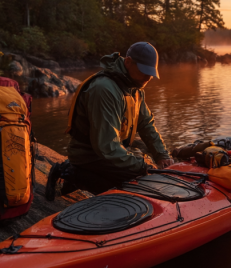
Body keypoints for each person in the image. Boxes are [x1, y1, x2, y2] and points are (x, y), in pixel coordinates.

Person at [45, 42, 174, 198]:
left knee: (147, 164)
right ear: (128, 62)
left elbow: (146, 124)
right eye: (143, 71)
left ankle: (82, 174)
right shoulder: (104, 89)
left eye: (150, 73)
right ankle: (70, 173)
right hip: (90, 155)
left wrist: (162, 156)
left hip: (111, 149)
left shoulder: (135, 87)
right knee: (136, 185)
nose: (148, 78)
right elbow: (107, 147)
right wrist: (142, 166)